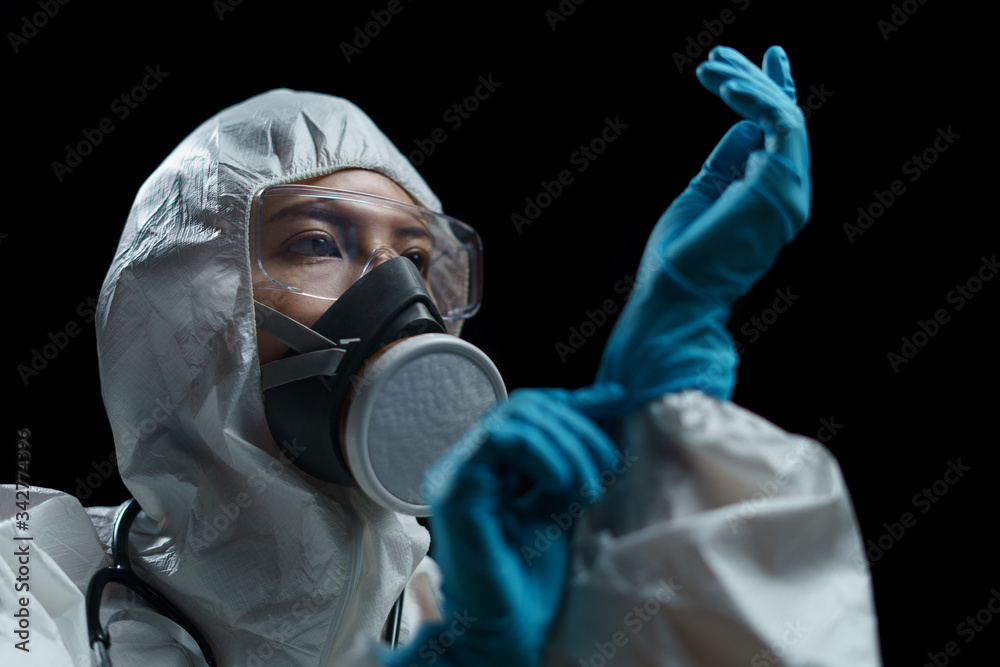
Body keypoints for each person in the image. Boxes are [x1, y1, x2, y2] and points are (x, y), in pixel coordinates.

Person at [0, 45, 882, 666]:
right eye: (317, 243)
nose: (399, 301)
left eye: (416, 260)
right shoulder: (26, 575)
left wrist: (679, 453)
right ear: (189, 309)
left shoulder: (481, 607)